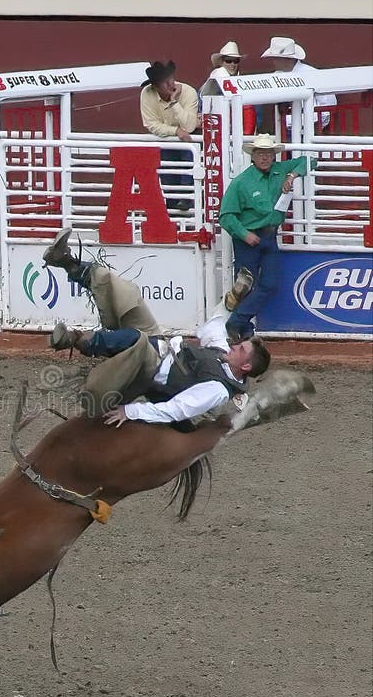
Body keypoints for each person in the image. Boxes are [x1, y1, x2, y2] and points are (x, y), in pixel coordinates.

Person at [42, 228, 270, 423]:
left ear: (247, 367)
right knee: (128, 294)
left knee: (138, 340)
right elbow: (215, 324)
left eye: (241, 349)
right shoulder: (222, 352)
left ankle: (75, 339)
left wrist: (130, 412)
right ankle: (66, 262)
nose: (235, 346)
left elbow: (178, 409)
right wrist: (231, 301)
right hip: (161, 344)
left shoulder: (217, 390)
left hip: (152, 371)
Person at [219, 134, 313, 342]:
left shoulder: (280, 171)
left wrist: (292, 176)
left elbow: (308, 160)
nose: (265, 158)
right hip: (248, 239)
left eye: (268, 154)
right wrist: (244, 234)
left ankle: (237, 323)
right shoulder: (242, 182)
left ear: (273, 156)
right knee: (246, 285)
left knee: (267, 284)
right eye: (261, 154)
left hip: (269, 236)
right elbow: (225, 216)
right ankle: (244, 330)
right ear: (253, 157)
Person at [139, 60, 200, 213]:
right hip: (167, 140)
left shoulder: (188, 92)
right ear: (155, 87)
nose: (171, 84)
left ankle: (185, 199)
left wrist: (174, 102)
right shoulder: (147, 94)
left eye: (171, 79)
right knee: (168, 175)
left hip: (189, 141)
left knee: (189, 167)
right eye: (165, 82)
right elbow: (151, 124)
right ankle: (173, 203)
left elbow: (190, 126)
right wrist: (176, 131)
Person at [261, 36, 337, 132]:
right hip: (284, 129)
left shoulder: (312, 74)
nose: (273, 61)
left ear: (287, 59)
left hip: (310, 128)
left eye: (276, 58)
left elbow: (329, 104)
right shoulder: (276, 76)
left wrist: (317, 127)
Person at [204, 41, 256, 134]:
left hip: (232, 119)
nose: (232, 64)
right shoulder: (219, 73)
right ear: (221, 62)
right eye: (228, 61)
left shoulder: (240, 79)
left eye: (236, 61)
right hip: (217, 117)